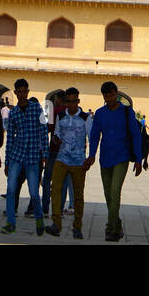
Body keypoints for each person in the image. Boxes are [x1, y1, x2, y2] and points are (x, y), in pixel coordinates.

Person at [85, 80, 142, 241]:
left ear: (116, 94)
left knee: (115, 192)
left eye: (111, 94)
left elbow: (136, 135)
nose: (108, 98)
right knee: (108, 194)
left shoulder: (127, 112)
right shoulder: (100, 113)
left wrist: (138, 159)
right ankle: (117, 224)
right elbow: (95, 136)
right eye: (105, 95)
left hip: (122, 157)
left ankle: (110, 229)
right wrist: (91, 155)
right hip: (105, 158)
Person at [1, 78, 48, 235]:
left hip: (33, 157)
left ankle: (39, 219)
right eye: (19, 92)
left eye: (24, 91)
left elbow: (43, 132)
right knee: (11, 189)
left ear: (28, 92)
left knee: (34, 192)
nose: (22, 94)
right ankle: (10, 223)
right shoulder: (13, 113)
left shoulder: (37, 109)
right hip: (16, 156)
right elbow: (10, 139)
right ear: (15, 93)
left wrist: (45, 155)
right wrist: (7, 162)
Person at [46, 86, 91, 238]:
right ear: (65, 102)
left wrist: (90, 158)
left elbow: (92, 138)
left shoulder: (85, 118)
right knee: (56, 189)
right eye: (68, 102)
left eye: (74, 101)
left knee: (78, 195)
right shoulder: (61, 116)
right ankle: (56, 224)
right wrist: (56, 139)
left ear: (78, 101)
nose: (71, 105)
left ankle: (77, 227)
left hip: (78, 161)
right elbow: (56, 132)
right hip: (62, 158)